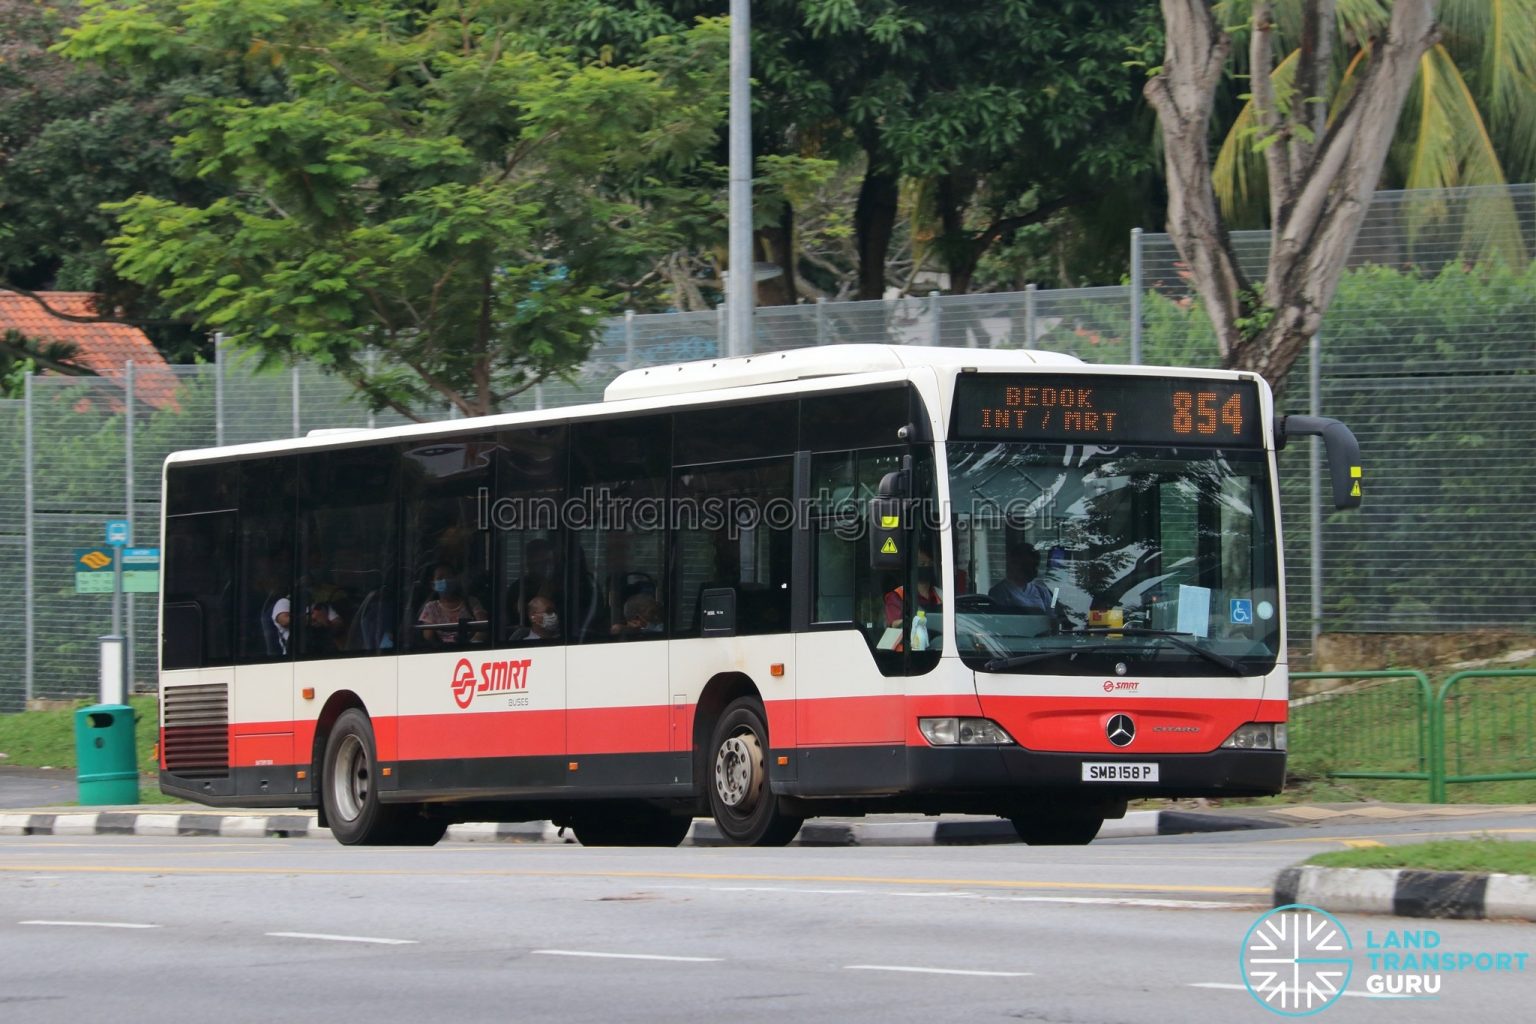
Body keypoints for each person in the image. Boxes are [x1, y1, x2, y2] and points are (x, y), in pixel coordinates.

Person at [417, 565, 487, 645]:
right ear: (433, 585)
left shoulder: (471, 602)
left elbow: (483, 627)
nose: (445, 580)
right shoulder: (431, 607)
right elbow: (428, 637)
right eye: (440, 578)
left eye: (449, 577)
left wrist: (470, 645)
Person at [989, 543, 1056, 613]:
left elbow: (1052, 618)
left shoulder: (1042, 592)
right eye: (1028, 565)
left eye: (1035, 565)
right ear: (1014, 564)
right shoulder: (999, 591)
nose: (1033, 570)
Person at [885, 550, 942, 626]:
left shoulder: (941, 595)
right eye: (922, 564)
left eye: (930, 564)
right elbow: (896, 624)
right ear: (912, 567)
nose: (927, 567)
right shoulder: (898, 596)